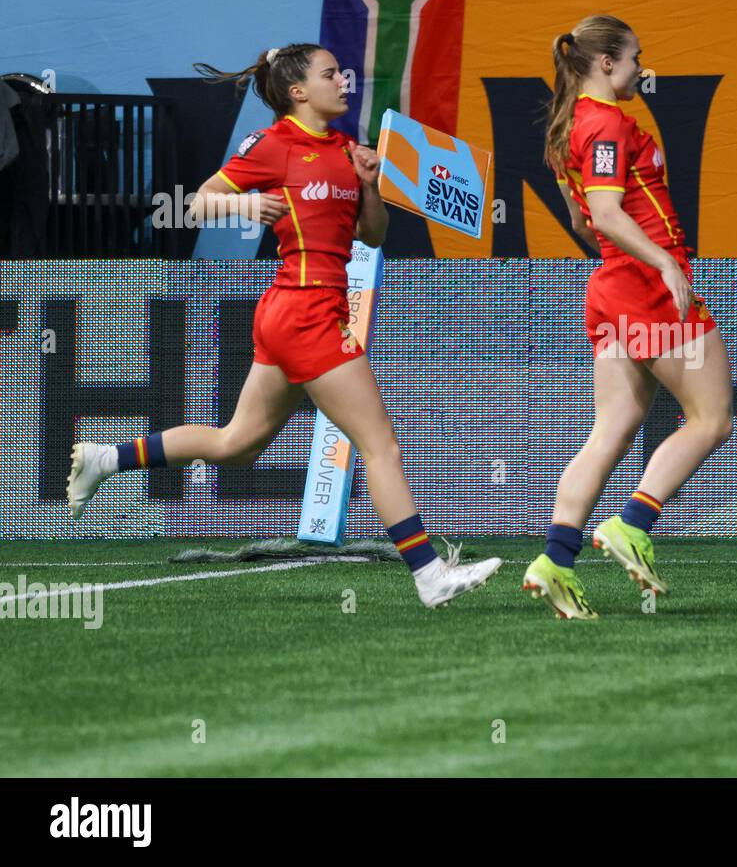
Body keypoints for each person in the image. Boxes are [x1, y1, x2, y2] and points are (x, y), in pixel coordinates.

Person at [65, 43, 501, 609]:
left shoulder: (350, 150)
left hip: (294, 315)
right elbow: (198, 202)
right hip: (304, 313)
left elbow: (373, 236)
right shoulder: (274, 146)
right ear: (298, 93)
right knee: (381, 445)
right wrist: (247, 208)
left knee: (236, 445)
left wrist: (370, 183)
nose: (343, 80)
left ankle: (106, 458)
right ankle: (428, 574)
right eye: (329, 75)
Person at [522, 15, 733, 619]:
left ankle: (554, 561)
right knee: (711, 417)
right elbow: (608, 216)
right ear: (607, 63)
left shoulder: (569, 129)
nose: (644, 67)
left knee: (613, 428)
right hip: (643, 290)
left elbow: (583, 222)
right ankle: (633, 523)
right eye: (636, 56)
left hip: (612, 288)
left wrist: (626, 258)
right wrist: (665, 265)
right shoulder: (608, 123)